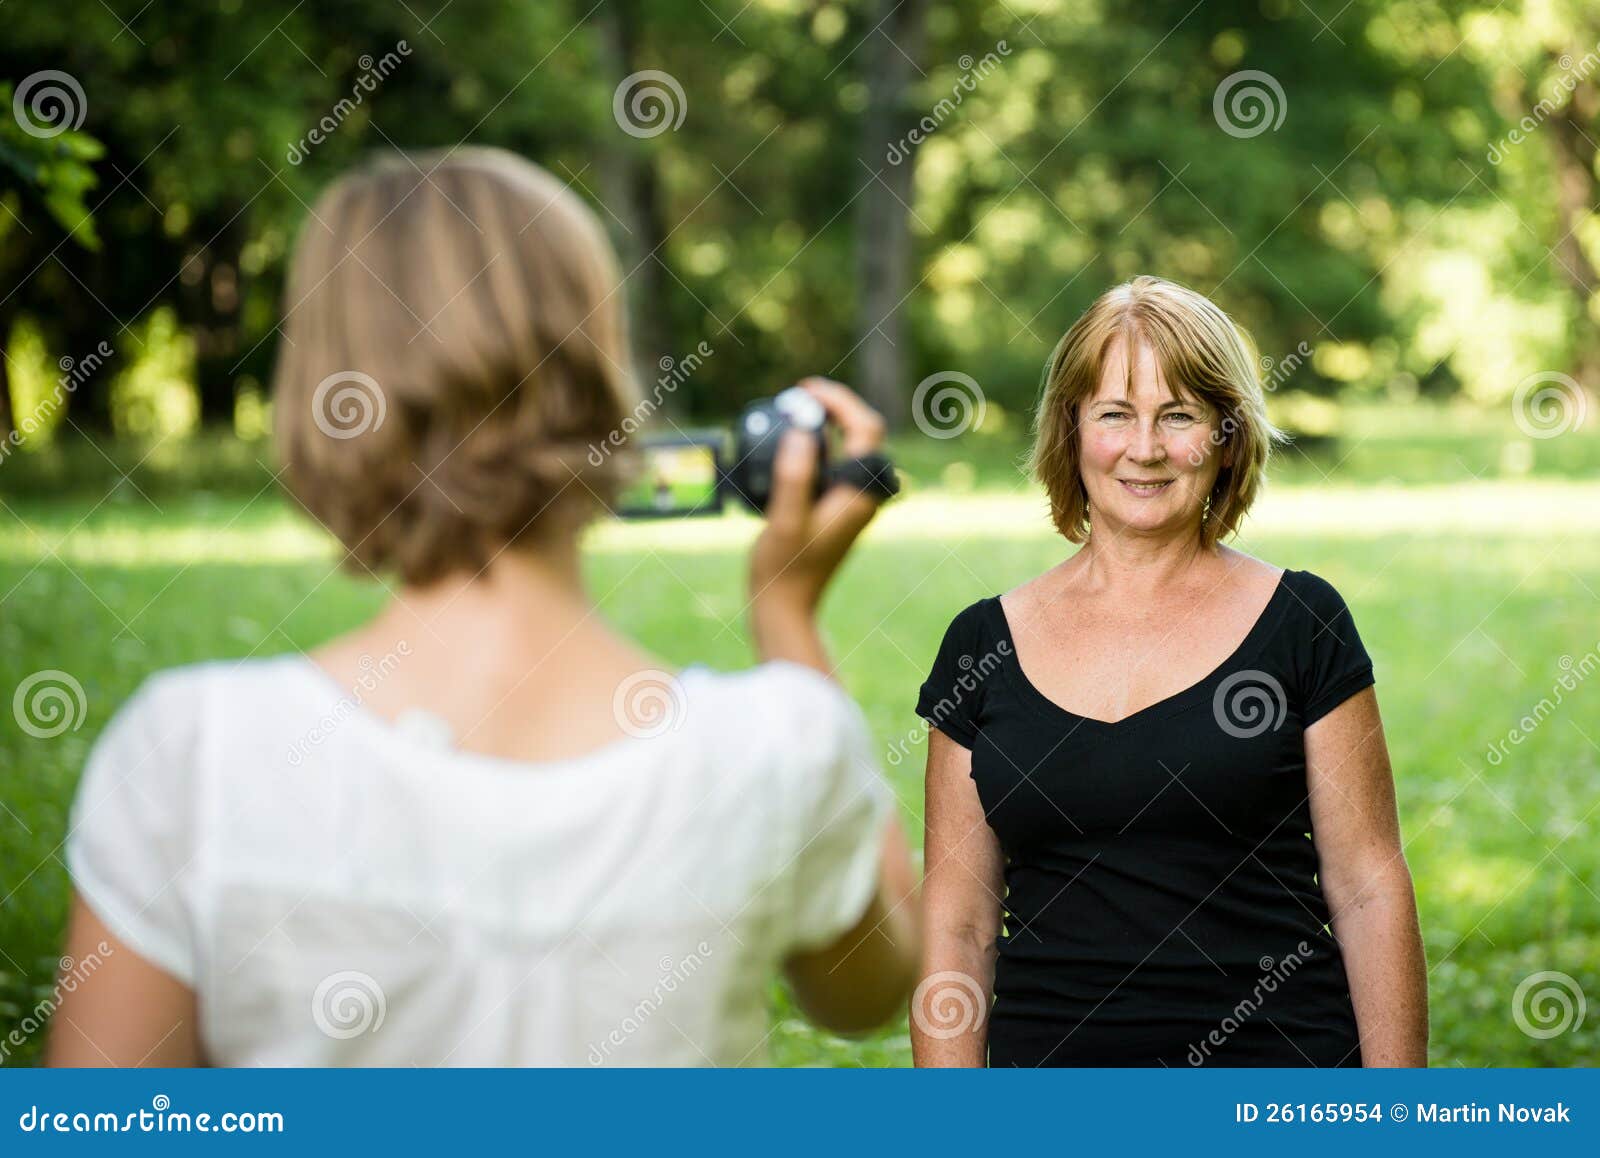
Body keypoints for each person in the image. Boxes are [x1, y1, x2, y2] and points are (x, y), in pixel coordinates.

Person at [46, 146, 919, 1066]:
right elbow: (868, 990)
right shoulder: (774, 748)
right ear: (604, 391)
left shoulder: (193, 753)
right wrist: (785, 614)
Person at [911, 275, 1427, 1067]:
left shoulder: (1303, 621)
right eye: (1115, 414)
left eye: (1178, 415)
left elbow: (1366, 885)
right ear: (1071, 429)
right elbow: (959, 923)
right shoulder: (983, 642)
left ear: (1226, 435)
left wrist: (1399, 1120)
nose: (1145, 448)